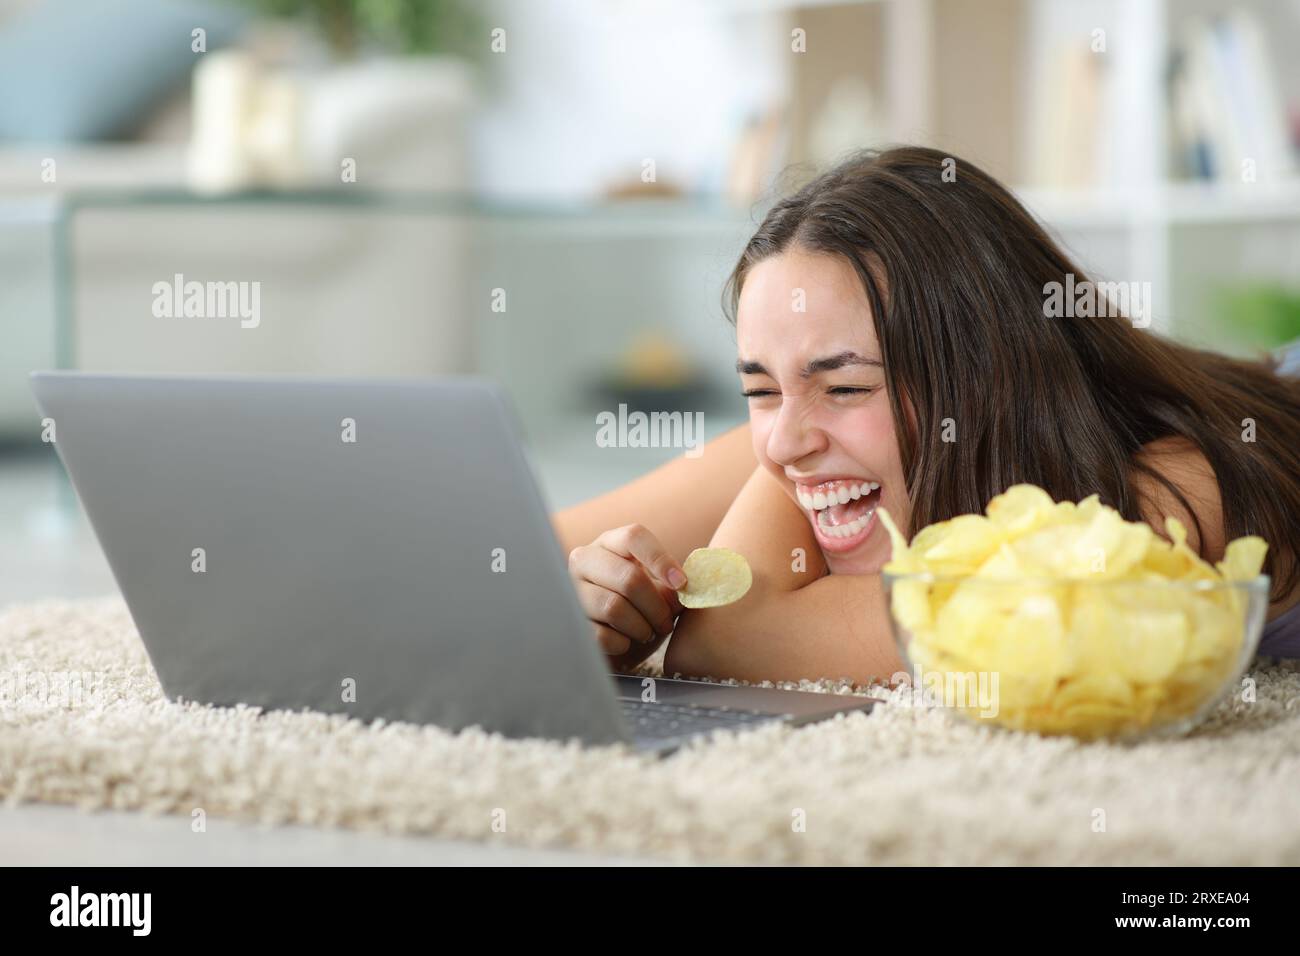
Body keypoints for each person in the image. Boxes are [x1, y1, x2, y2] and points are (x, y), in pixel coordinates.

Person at [555, 147, 1300, 684]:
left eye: (846, 386)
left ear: (990, 377)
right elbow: (508, 559)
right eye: (760, 389)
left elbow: (728, 637)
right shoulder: (806, 435)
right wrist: (595, 591)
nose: (783, 442)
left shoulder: (1182, 490)